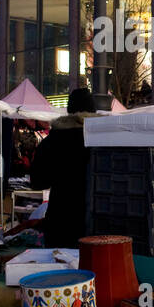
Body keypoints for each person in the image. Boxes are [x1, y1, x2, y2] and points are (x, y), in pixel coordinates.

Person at [30, 87, 97, 247]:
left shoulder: (52, 141)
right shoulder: (102, 139)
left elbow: (38, 182)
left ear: (69, 109)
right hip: (98, 220)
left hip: (61, 218)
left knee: (60, 267)